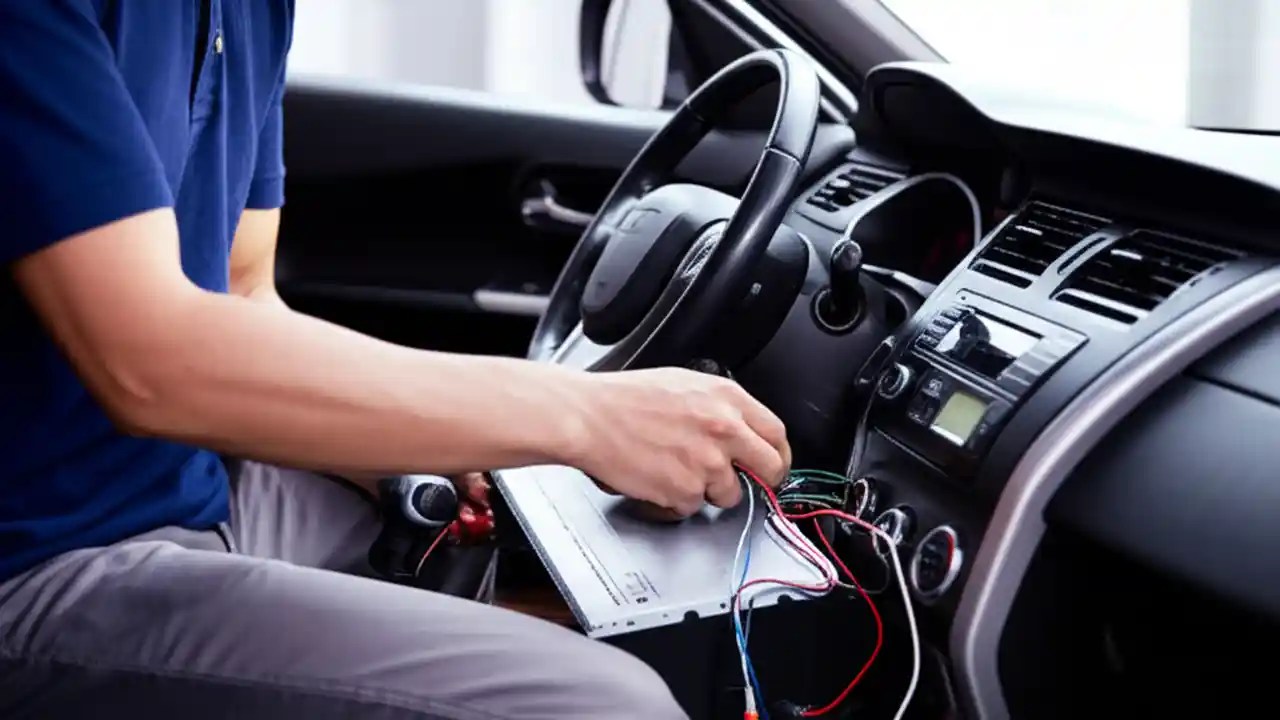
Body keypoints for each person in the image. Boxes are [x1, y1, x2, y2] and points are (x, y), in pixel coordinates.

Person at [0, 2, 790, 718]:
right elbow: (151, 363)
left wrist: (422, 448)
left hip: (187, 482)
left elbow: (243, 296)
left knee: (507, 555)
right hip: (35, 557)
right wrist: (585, 416)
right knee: (609, 706)